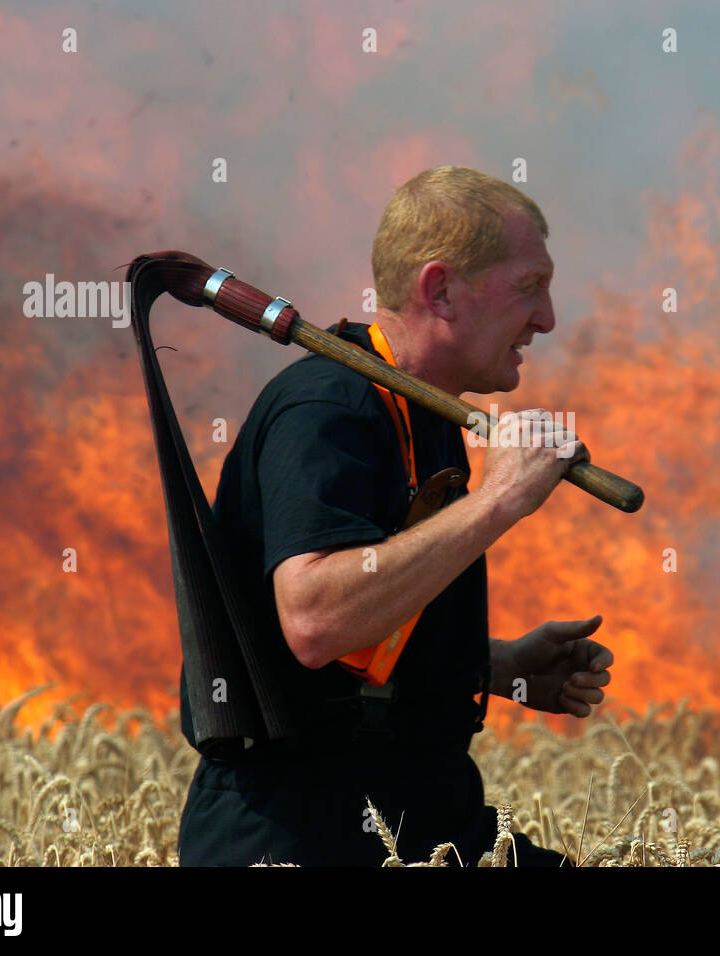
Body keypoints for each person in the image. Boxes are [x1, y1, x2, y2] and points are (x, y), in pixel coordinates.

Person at [177, 165, 614, 866]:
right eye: (530, 287)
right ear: (440, 289)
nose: (547, 318)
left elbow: (358, 652)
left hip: (422, 814)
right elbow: (317, 621)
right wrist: (497, 502)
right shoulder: (330, 408)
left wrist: (492, 667)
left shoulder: (425, 410)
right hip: (301, 832)